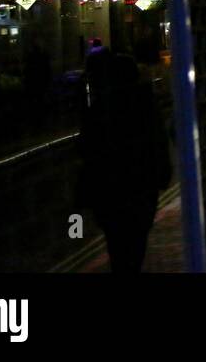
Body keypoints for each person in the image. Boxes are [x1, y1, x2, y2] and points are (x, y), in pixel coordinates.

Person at [77, 50, 171, 272]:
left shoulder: (101, 107)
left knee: (117, 246)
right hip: (142, 187)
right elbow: (158, 141)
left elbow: (86, 148)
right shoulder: (146, 104)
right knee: (136, 243)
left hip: (110, 190)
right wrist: (162, 174)